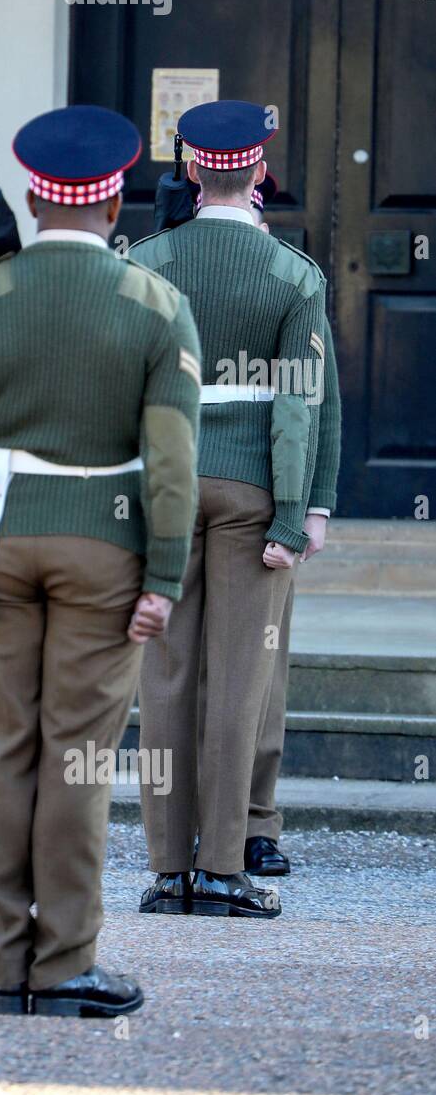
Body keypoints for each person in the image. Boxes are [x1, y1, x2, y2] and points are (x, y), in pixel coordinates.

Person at [0, 105, 200, 1016]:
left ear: (33, 198)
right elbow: (171, 464)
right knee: (78, 755)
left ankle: (1, 967)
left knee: (4, 750)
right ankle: (65, 961)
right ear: (113, 204)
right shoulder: (155, 305)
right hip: (105, 543)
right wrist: (162, 580)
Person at [130, 100, 325, 918]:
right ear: (256, 173)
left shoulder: (142, 262)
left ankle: (168, 869)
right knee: (239, 680)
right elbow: (298, 406)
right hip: (249, 487)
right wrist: (295, 512)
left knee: (166, 679)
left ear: (187, 171)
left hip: (163, 485)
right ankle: (219, 867)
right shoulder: (291, 275)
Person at [243, 174, 341, 876]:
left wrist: (315, 503)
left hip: (266, 490)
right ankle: (207, 822)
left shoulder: (288, 275)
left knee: (260, 671)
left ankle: (252, 821)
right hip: (217, 491)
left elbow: (318, 399)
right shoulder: (165, 261)